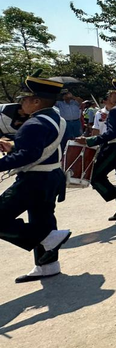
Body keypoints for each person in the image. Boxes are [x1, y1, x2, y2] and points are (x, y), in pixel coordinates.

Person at [0, 74, 71, 283]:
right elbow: (41, 147)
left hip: (34, 180)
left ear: (36, 101)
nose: (22, 103)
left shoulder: (33, 124)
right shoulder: (56, 118)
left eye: (25, 99)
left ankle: (46, 238)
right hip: (51, 176)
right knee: (42, 217)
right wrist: (13, 145)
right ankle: (48, 264)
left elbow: (29, 155)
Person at [77, 77, 116, 221]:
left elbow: (112, 133)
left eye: (112, 94)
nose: (110, 96)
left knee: (95, 175)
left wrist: (90, 141)